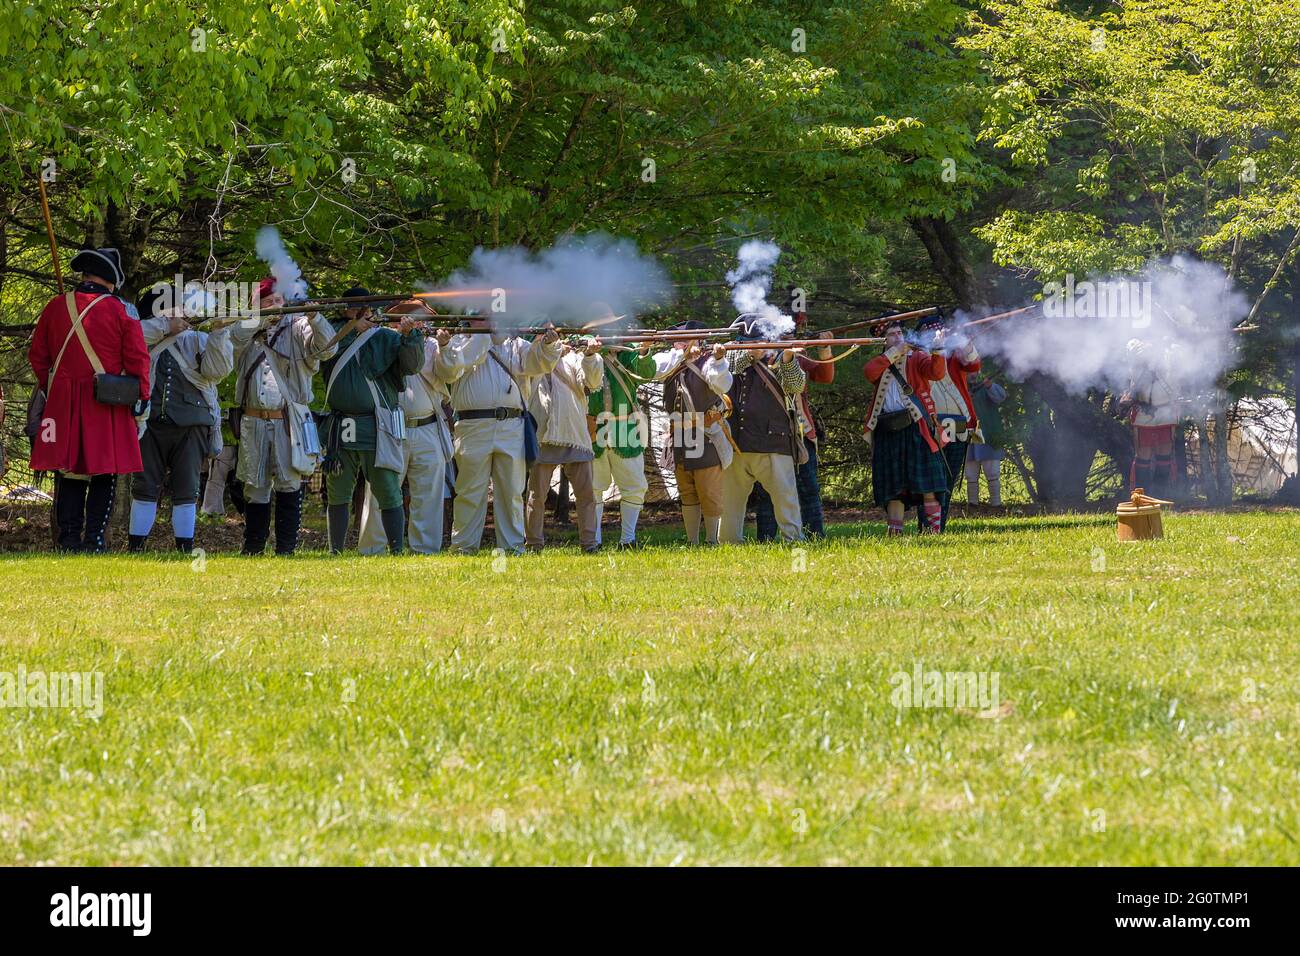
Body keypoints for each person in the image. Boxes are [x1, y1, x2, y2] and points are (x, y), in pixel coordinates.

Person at [28, 248, 150, 552]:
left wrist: (54, 386)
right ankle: (95, 540)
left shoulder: (56, 306)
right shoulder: (122, 310)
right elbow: (138, 360)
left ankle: (68, 540)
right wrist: (141, 399)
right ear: (111, 280)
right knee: (105, 470)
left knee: (68, 471)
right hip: (106, 399)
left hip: (62, 402)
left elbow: (38, 357)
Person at [229, 277, 337, 555]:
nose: (276, 305)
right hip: (252, 420)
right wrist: (260, 319)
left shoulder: (300, 326)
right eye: (268, 301)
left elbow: (328, 349)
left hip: (288, 421)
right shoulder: (248, 329)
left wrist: (315, 317)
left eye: (279, 300)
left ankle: (286, 549)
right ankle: (253, 547)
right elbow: (232, 341)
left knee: (289, 483)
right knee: (255, 486)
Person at [434, 320, 562, 554]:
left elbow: (540, 363)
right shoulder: (461, 343)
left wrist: (550, 344)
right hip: (472, 425)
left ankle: (513, 547)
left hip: (511, 424)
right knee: (469, 490)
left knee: (512, 491)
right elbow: (449, 372)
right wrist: (481, 338)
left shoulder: (518, 346)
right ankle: (463, 546)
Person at [129, 288, 235, 552]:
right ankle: (136, 546)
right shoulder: (144, 334)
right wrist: (166, 326)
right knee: (144, 486)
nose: (176, 313)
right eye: (167, 309)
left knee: (187, 489)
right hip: (148, 423)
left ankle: (185, 547)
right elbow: (134, 334)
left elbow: (217, 371)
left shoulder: (198, 339)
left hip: (191, 426)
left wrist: (220, 332)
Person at [320, 290, 425, 554]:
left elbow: (412, 366)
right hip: (340, 425)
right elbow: (324, 349)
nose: (362, 312)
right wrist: (352, 328)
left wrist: (410, 337)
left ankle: (396, 549)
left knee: (388, 490)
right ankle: (336, 550)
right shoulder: (330, 332)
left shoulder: (384, 337)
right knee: (338, 492)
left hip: (378, 425)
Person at [358, 323, 456, 556]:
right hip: (390, 426)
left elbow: (451, 374)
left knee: (428, 494)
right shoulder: (383, 342)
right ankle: (373, 549)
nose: (414, 323)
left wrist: (445, 345)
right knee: (382, 490)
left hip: (428, 425)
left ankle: (425, 549)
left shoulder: (433, 346)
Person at [719, 327, 807, 544]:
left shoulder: (777, 359)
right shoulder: (729, 357)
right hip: (736, 443)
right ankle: (728, 544)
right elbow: (727, 369)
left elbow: (796, 386)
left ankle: (794, 541)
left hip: (773, 441)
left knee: (786, 498)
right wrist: (751, 353)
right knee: (730, 501)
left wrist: (787, 357)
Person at [863, 321, 948, 535]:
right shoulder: (882, 361)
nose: (898, 337)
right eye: (892, 334)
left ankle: (933, 532)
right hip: (887, 429)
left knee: (928, 485)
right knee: (894, 489)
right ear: (883, 340)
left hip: (916, 427)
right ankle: (895, 534)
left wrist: (938, 348)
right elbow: (870, 372)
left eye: (900, 332)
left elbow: (936, 373)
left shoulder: (917, 357)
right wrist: (894, 354)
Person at [654, 322, 733, 545]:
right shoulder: (672, 360)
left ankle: (711, 541)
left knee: (709, 492)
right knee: (686, 492)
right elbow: (655, 370)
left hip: (705, 434)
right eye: (679, 339)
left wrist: (718, 360)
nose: (679, 343)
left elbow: (723, 384)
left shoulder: (708, 361)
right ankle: (692, 541)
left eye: (685, 339)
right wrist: (682, 354)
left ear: (697, 340)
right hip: (679, 435)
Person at [754, 315, 833, 539]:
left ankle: (815, 535)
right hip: (769, 433)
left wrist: (825, 348)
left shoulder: (798, 357)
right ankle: (766, 539)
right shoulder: (760, 359)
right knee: (768, 491)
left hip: (800, 431)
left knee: (808, 488)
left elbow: (824, 375)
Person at [525, 336, 604, 552]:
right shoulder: (533, 357)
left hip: (574, 433)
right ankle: (533, 544)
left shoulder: (574, 359)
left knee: (586, 495)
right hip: (544, 435)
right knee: (537, 496)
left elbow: (593, 381)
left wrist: (589, 355)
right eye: (546, 337)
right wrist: (551, 351)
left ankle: (589, 544)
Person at [916, 312, 981, 531]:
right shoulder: (917, 357)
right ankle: (927, 525)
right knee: (931, 479)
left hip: (958, 423)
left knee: (948, 479)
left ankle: (938, 526)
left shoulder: (955, 354)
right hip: (931, 424)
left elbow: (974, 366)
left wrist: (965, 341)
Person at [590, 343, 658, 549]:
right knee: (593, 489)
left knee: (635, 486)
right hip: (593, 430)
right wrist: (591, 349)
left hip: (625, 430)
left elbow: (646, 373)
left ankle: (627, 540)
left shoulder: (628, 353)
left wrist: (644, 351)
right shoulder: (586, 349)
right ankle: (594, 540)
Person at [1123, 338, 1180, 498]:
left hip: (1166, 411)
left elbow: (1180, 358)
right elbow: (1132, 347)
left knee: (1165, 451)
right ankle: (1141, 497)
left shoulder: (1169, 348)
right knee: (1143, 455)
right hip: (1143, 412)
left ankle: (1161, 496)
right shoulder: (1136, 345)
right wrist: (1148, 349)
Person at [965, 374, 1008, 506]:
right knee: (970, 474)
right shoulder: (960, 386)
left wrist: (989, 386)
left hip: (989, 432)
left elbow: (1000, 397)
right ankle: (972, 505)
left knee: (992, 472)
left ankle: (996, 505)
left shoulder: (987, 385)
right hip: (968, 431)